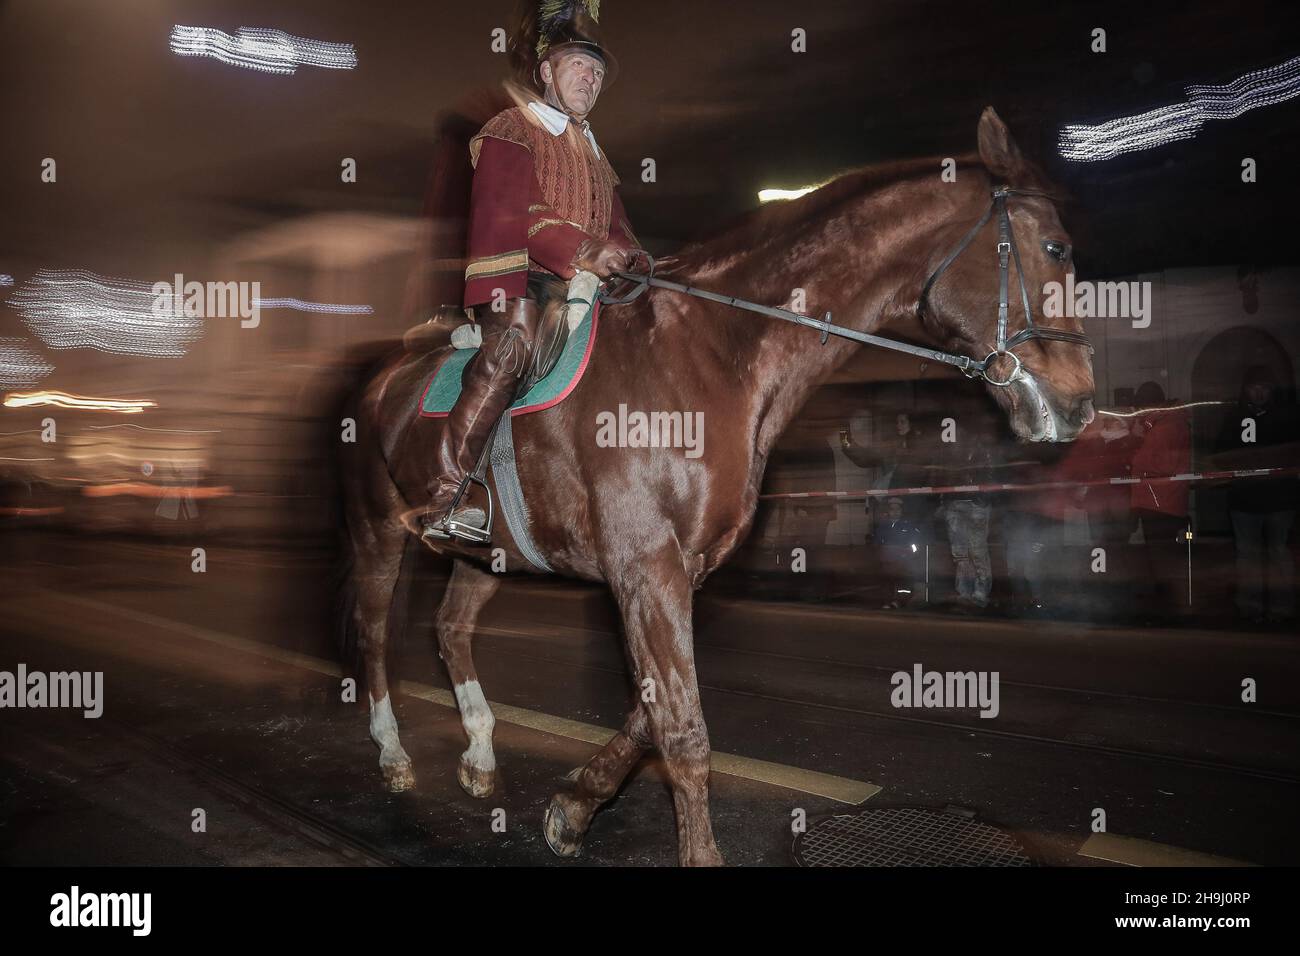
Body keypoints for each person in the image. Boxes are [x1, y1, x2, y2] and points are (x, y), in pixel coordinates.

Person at [403, 1, 639, 542]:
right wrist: (584, 249)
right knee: (510, 348)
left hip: (587, 282)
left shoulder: (596, 154)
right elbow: (514, 213)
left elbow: (619, 229)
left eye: (598, 72)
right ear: (545, 72)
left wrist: (638, 261)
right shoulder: (512, 129)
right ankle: (446, 494)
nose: (591, 78)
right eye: (579, 65)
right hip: (522, 279)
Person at [1215, 365, 1299, 623]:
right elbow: (1221, 455)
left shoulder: (1286, 417)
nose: (1259, 393)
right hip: (1245, 501)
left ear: (1271, 390)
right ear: (1246, 390)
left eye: (1264, 388)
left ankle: (1282, 609)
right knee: (1248, 556)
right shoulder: (1234, 418)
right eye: (1254, 388)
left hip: (1279, 500)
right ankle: (1249, 608)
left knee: (1278, 553)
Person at [1129, 382, 1191, 614]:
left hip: (1161, 502)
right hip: (1160, 500)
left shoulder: (1167, 426)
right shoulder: (1164, 423)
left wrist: (1135, 449)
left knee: (1160, 557)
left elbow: (1158, 464)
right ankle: (1166, 603)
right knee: (1159, 556)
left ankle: (1168, 607)